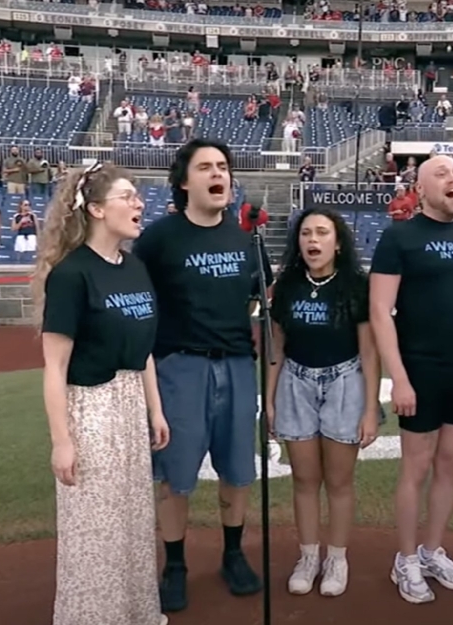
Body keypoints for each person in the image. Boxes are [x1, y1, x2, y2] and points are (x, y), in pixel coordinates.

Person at [132, 138, 271, 613]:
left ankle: (233, 554)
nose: (218, 174)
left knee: (237, 470)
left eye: (223, 167)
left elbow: (255, 299)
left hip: (237, 364)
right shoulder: (159, 239)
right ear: (184, 181)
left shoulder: (244, 238)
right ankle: (174, 564)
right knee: (175, 474)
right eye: (206, 167)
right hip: (180, 367)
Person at [33, 162, 171, 625]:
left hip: (130, 406)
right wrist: (61, 441)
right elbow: (54, 366)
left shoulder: (135, 268)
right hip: (91, 409)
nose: (139, 204)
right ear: (95, 209)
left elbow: (143, 349)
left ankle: (136, 614)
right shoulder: (71, 275)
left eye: (137, 196)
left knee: (132, 519)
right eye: (127, 197)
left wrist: (155, 409)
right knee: (96, 526)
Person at [370, 154, 453, 604]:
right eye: (441, 173)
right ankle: (405, 558)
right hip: (420, 367)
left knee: (450, 461)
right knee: (417, 465)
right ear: (420, 189)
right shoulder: (399, 236)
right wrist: (399, 378)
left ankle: (432, 550)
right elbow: (380, 310)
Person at [264, 206, 382, 598]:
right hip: (295, 382)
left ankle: (337, 558)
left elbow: (369, 351)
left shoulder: (356, 285)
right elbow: (276, 346)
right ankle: (308, 556)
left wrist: (370, 409)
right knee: (304, 479)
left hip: (345, 382)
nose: (313, 240)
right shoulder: (287, 285)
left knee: (339, 480)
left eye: (322, 233)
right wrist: (270, 399)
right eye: (306, 233)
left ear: (338, 242)